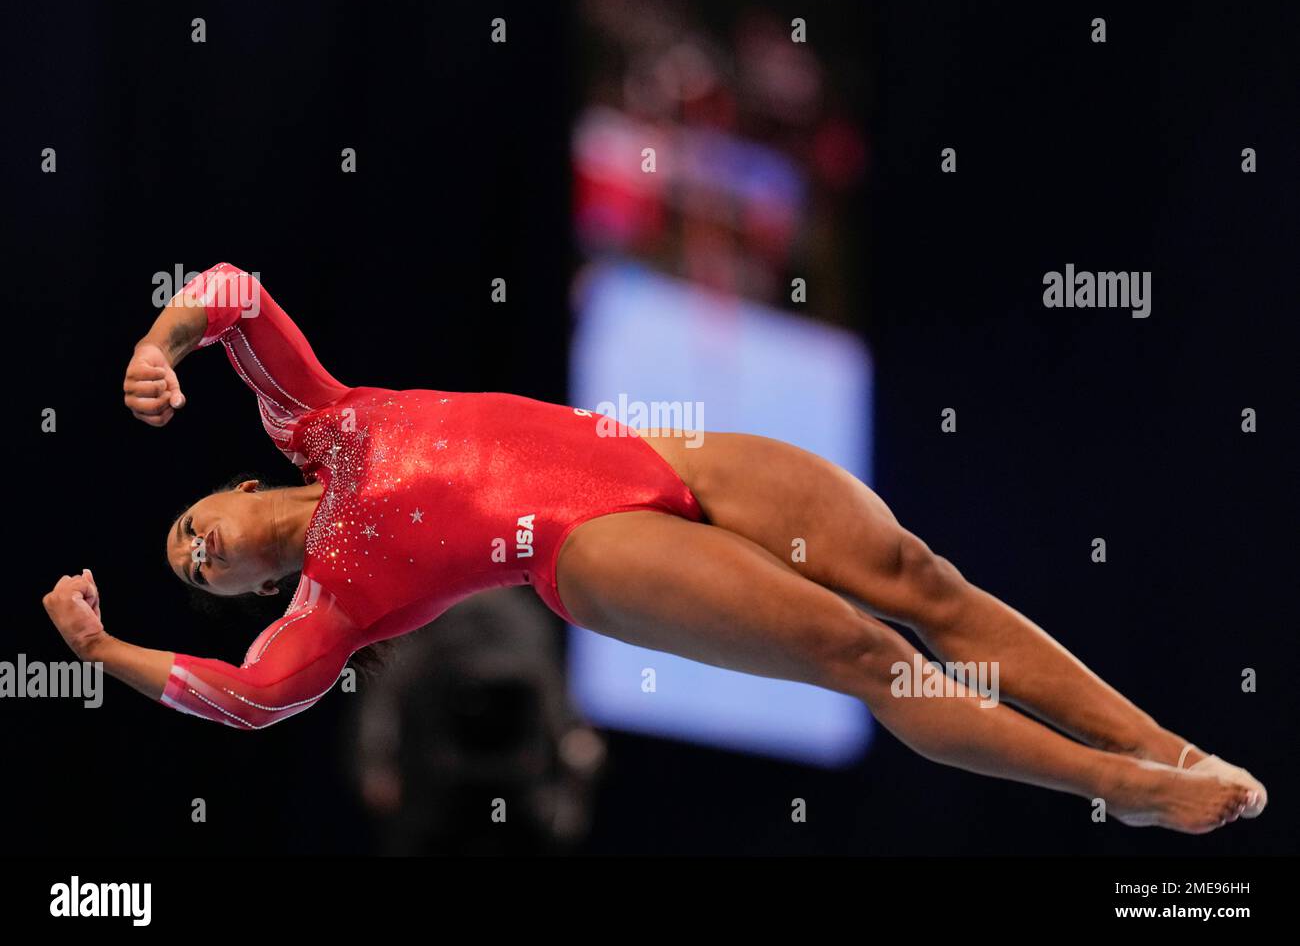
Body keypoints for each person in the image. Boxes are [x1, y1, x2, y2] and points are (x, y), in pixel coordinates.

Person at [42, 263, 1266, 834]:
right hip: (585, 547)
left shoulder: (313, 418)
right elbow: (248, 698)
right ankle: (1124, 789)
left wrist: (161, 345)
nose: (202, 554)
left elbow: (238, 294)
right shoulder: (326, 607)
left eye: (189, 531)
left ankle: (1159, 738)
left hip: (658, 453)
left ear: (236, 483)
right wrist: (106, 648)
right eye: (202, 575)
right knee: (860, 650)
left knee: (925, 583)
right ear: (254, 588)